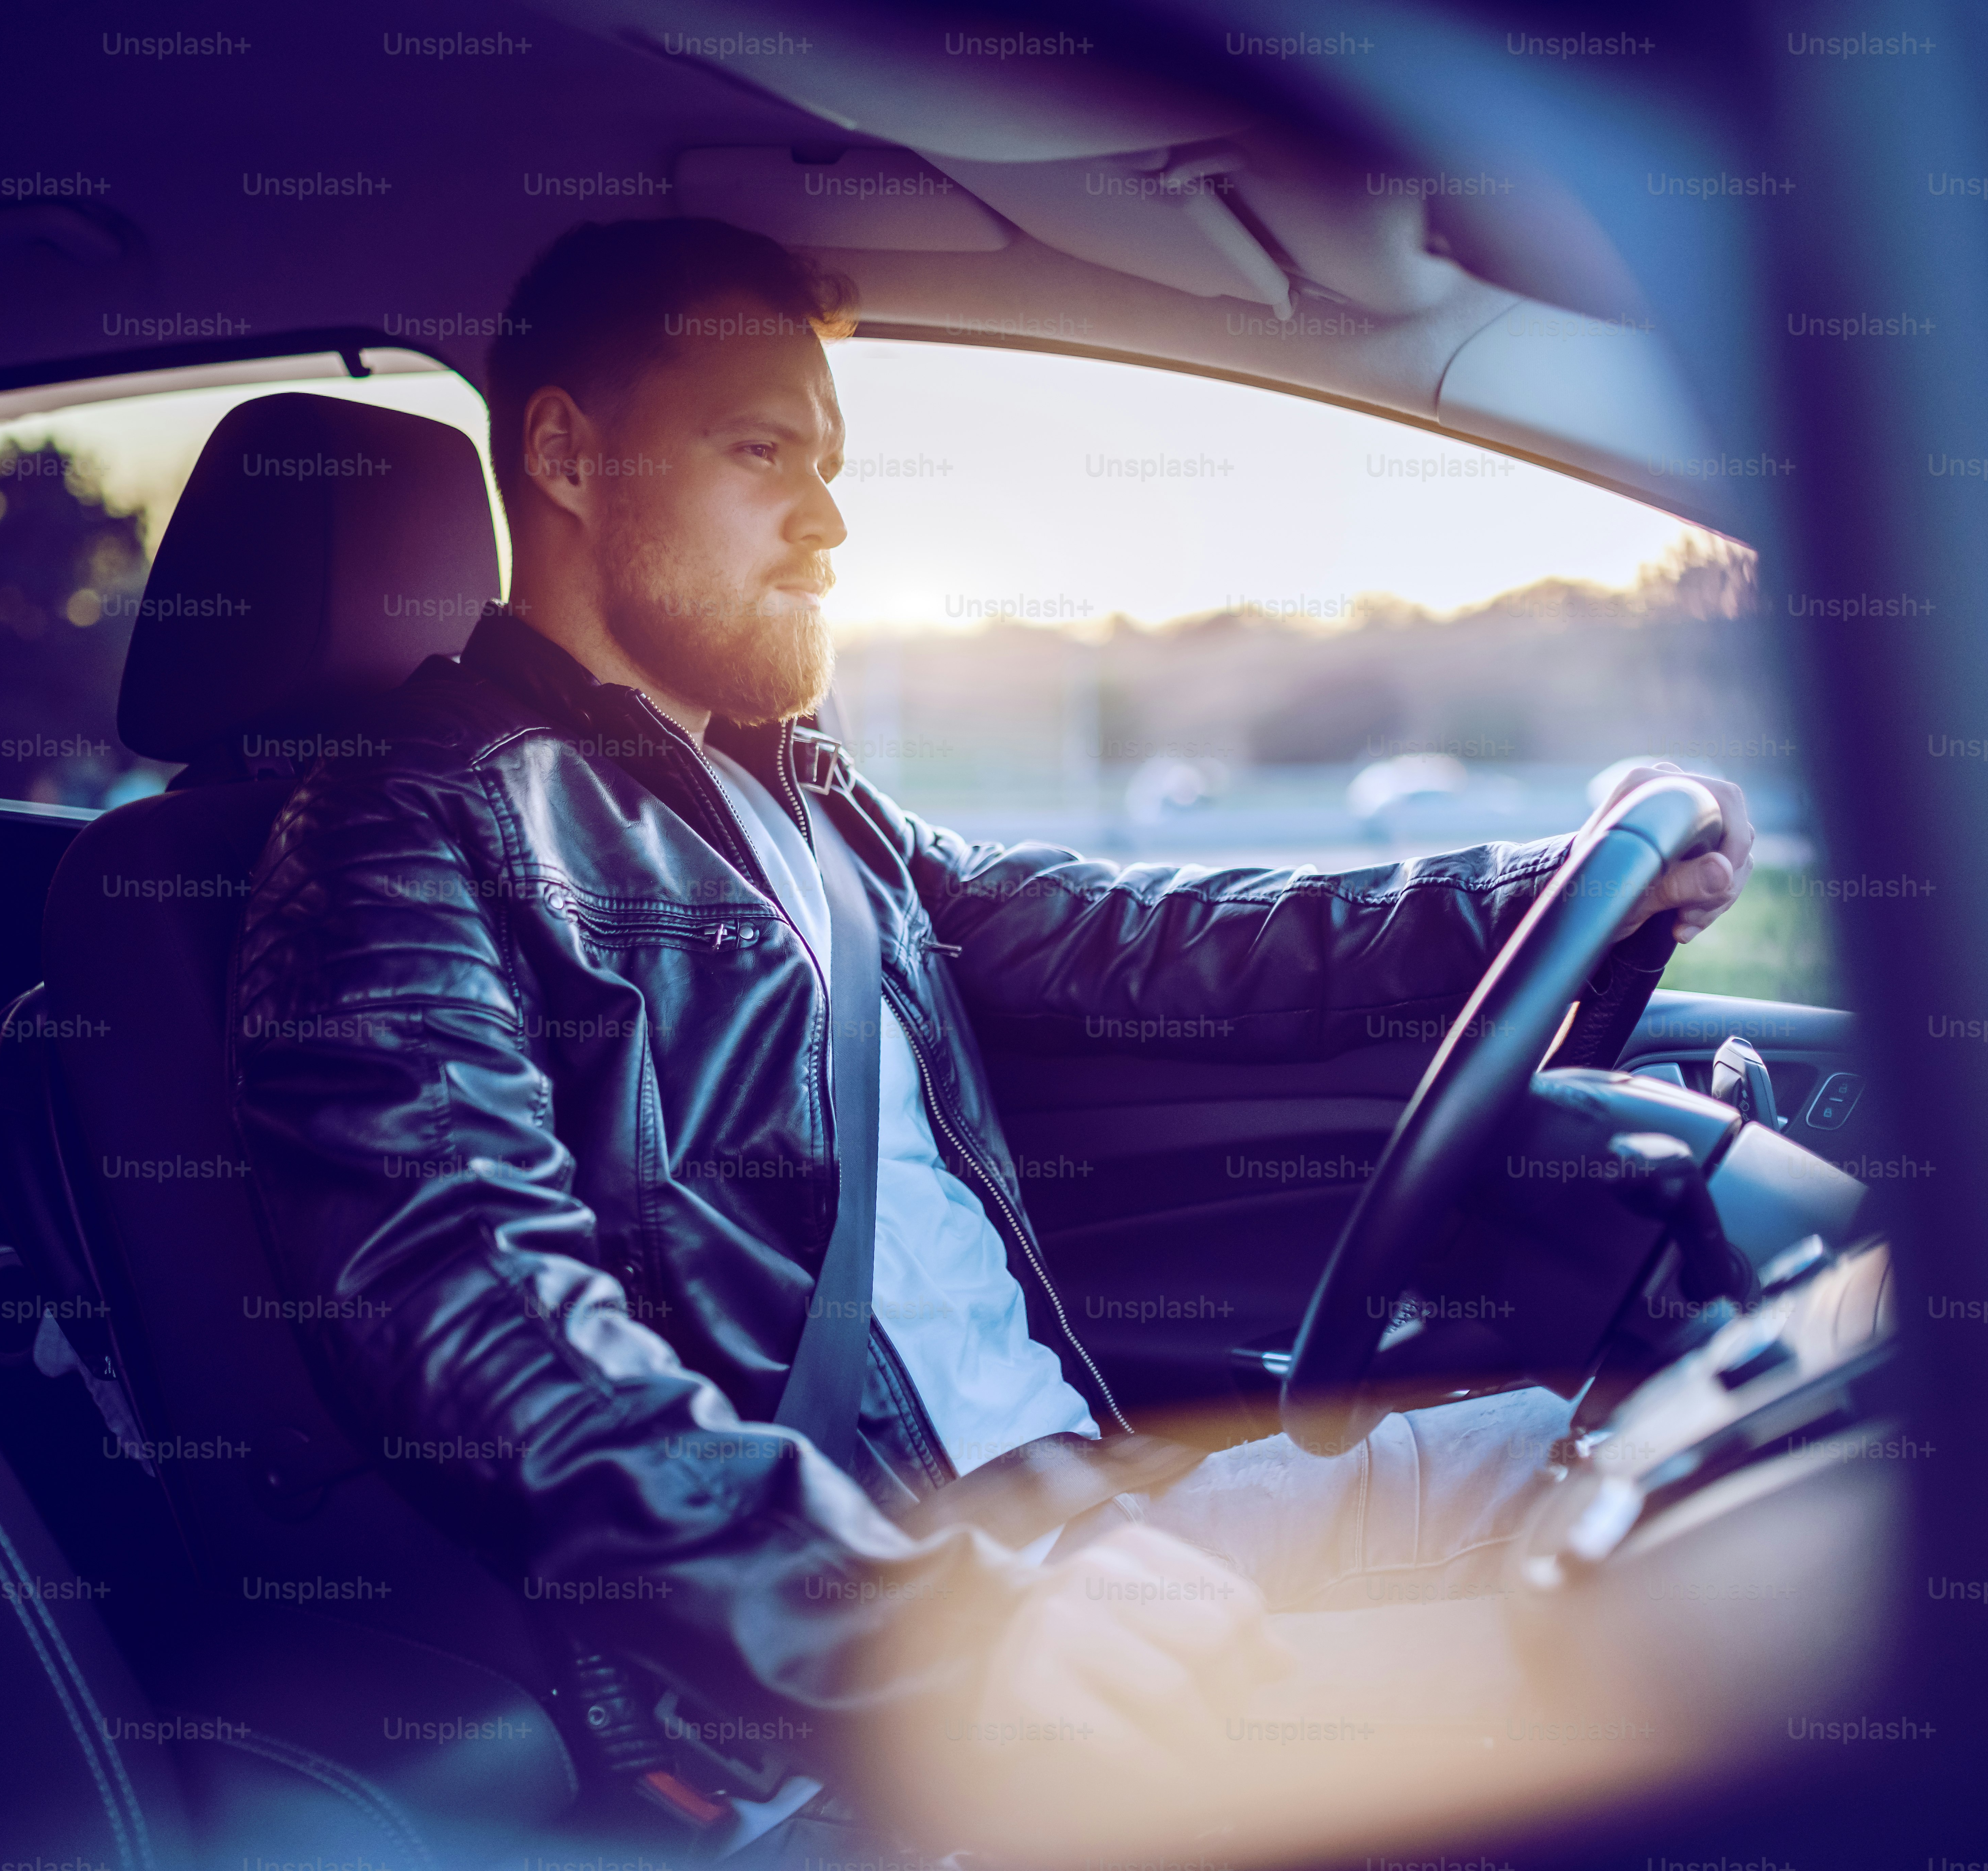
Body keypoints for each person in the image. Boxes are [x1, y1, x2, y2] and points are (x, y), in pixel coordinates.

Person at [227, 217, 1754, 1849]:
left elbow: (1144, 937)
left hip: (1101, 1520)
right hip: (860, 1669)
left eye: (832, 464)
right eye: (763, 453)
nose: (826, 519)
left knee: (1691, 1475)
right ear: (568, 456)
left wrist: (1547, 885)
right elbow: (463, 1297)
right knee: (1661, 1706)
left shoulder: (805, 796)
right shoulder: (401, 828)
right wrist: (905, 1617)